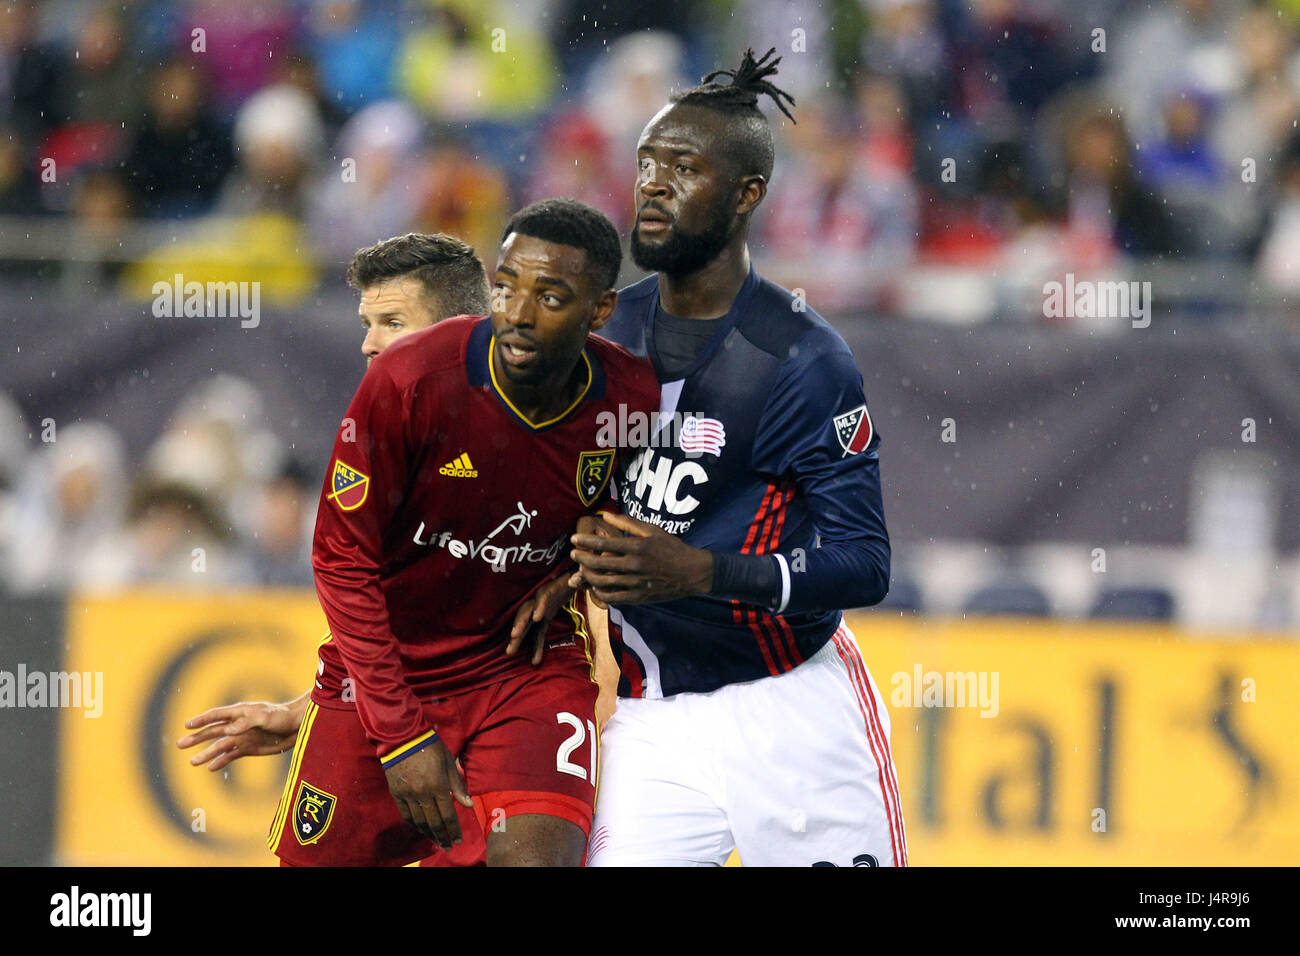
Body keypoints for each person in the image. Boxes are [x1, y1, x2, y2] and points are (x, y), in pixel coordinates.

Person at [570, 49, 907, 867]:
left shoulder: (803, 357)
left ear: (747, 194)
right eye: (647, 163)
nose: (653, 183)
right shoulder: (603, 333)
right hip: (654, 721)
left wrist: (700, 573)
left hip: (793, 708)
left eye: (684, 168)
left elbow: (865, 565)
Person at [282, 199, 657, 866]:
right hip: (386, 683)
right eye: (509, 286)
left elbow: (646, 521)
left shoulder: (630, 399)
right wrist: (398, 735)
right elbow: (341, 565)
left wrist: (573, 575)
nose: (519, 309)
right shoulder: (405, 379)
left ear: (600, 310)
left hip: (524, 672)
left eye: (550, 294)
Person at [180, 232, 490, 865]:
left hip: (505, 728)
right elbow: (387, 620)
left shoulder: (542, 433)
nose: (369, 342)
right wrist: (306, 711)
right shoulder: (375, 438)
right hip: (393, 718)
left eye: (393, 322)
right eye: (368, 322)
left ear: (462, 330)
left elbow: (585, 616)